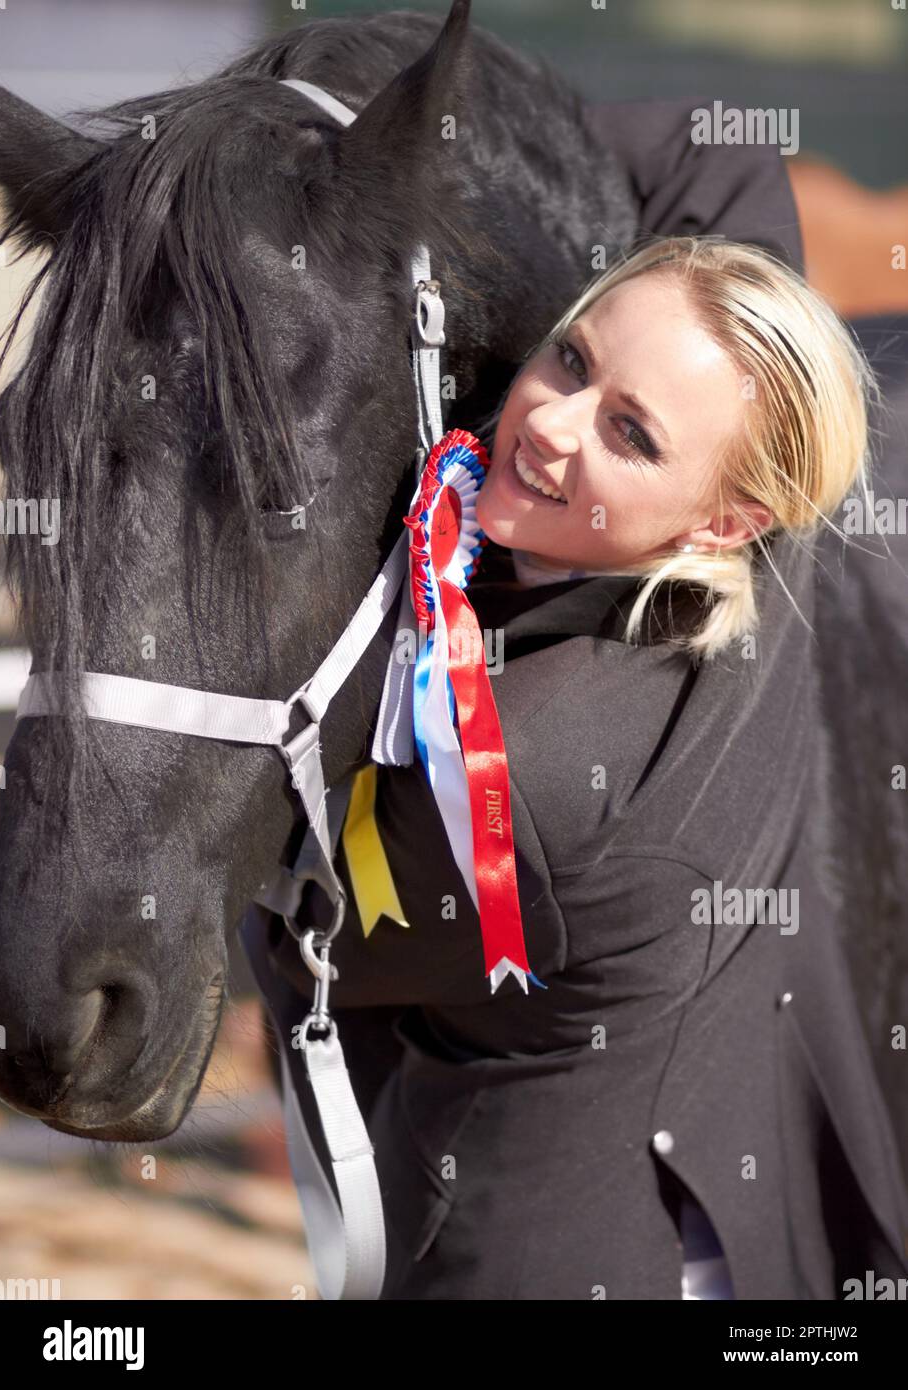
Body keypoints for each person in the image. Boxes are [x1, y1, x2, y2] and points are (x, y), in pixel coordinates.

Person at [247, 107, 908, 1300]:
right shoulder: (764, 521)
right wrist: (374, 109)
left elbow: (307, 940)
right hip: (726, 1196)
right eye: (572, 356)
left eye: (629, 434)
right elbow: (721, 165)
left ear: (721, 520)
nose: (547, 423)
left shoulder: (529, 779)